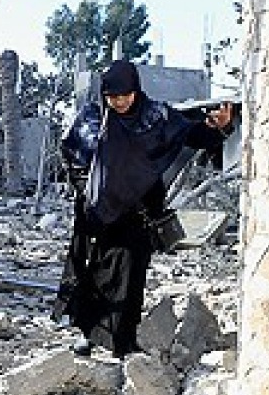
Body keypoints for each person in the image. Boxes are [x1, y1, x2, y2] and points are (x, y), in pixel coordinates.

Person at [53, 59, 233, 358]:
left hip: (140, 214)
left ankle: (124, 342)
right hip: (99, 215)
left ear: (136, 90)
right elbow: (72, 154)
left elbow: (194, 135)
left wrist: (219, 128)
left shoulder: (156, 117)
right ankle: (89, 334)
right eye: (113, 96)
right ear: (104, 94)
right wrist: (88, 191)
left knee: (130, 276)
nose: (120, 102)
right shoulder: (92, 119)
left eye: (125, 95)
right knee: (95, 271)